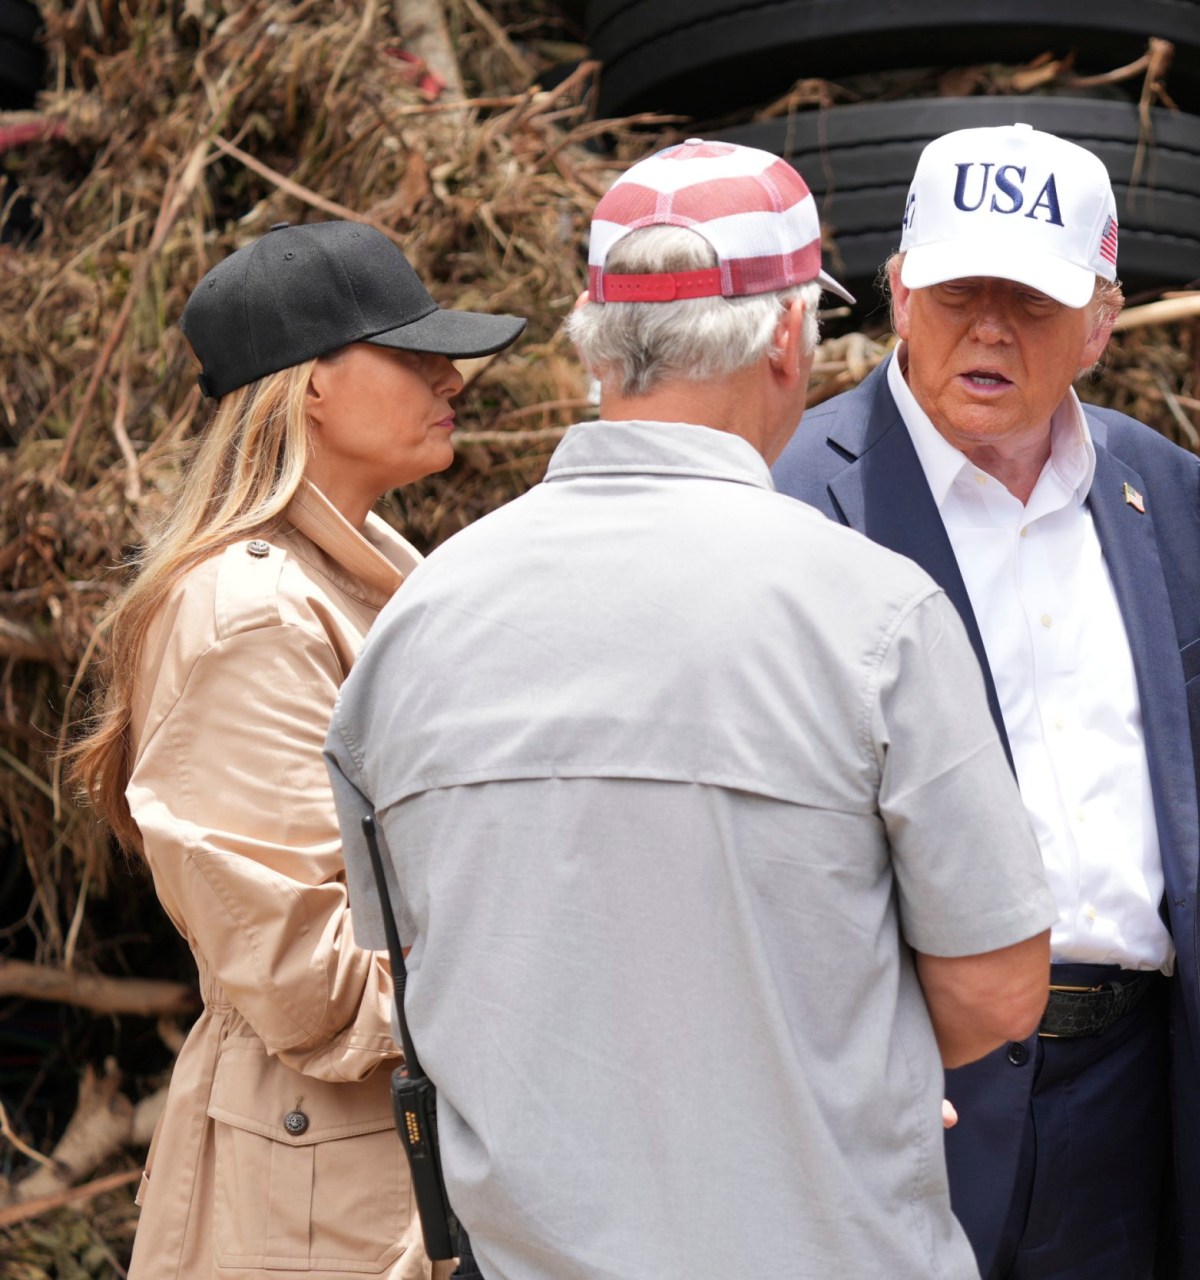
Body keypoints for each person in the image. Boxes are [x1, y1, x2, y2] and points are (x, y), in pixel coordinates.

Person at [323, 140, 1057, 1278]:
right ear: (784, 336)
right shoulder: (873, 612)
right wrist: (837, 1054)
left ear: (595, 338)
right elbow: (1000, 986)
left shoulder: (419, 619)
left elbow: (414, 967)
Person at [774, 122, 1200, 1280]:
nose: (991, 327)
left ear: (1103, 322)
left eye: (1034, 298)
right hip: (908, 1093)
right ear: (899, 292)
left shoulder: (1166, 494)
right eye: (961, 289)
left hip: (1135, 1099)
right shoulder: (800, 498)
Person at [66, 221, 525, 1278]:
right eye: (413, 352)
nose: (449, 374)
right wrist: (532, 995)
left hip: (369, 1160)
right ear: (312, 383)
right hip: (326, 1198)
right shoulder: (250, 613)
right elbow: (300, 970)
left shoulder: (358, 576)